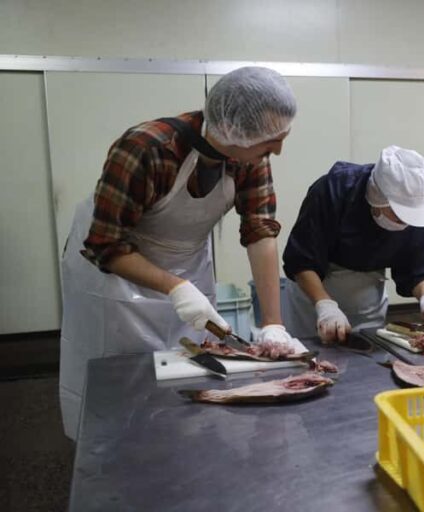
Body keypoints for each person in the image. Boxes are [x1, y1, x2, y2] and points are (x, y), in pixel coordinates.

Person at [59, 66, 297, 439]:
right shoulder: (146, 149)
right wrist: (174, 286)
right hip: (113, 271)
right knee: (122, 373)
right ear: (237, 131)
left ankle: (179, 446)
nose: (279, 151)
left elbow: (260, 233)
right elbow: (104, 243)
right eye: (272, 141)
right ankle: (107, 455)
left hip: (186, 262)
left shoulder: (251, 158)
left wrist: (274, 324)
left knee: (191, 364)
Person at [282, 146, 424, 343]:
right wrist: (325, 306)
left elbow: (417, 265)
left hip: (368, 302)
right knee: (314, 361)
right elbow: (302, 260)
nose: (403, 223)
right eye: (398, 214)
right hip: (313, 298)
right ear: (378, 196)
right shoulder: (332, 189)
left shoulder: (412, 211)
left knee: (367, 364)